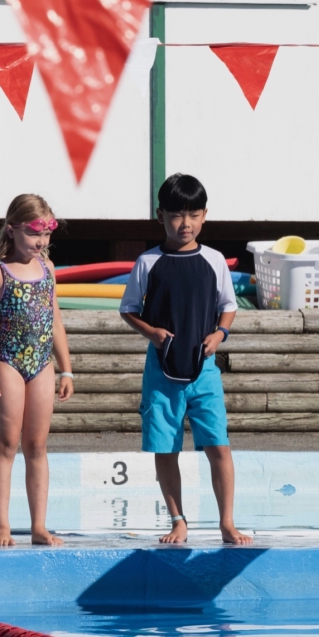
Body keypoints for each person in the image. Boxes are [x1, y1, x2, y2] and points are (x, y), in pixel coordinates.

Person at [120, 173, 251, 545]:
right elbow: (128, 309)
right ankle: (178, 519)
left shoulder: (213, 261)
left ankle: (227, 521)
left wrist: (219, 334)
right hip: (161, 373)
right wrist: (152, 333)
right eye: (177, 215)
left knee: (218, 446)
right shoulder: (148, 262)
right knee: (166, 448)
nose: (185, 223)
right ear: (160, 216)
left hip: (203, 371)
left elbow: (228, 306)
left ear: (205, 215)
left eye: (194, 214)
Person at [0, 194, 74, 547]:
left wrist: (67, 370)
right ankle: (1, 524)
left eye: (46, 234)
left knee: (37, 445)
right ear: (12, 230)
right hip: (7, 362)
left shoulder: (48, 268)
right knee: (7, 443)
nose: (41, 242)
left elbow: (56, 322)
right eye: (34, 234)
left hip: (42, 363)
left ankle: (39, 525)